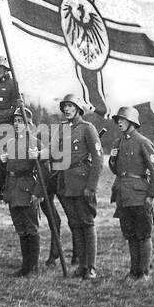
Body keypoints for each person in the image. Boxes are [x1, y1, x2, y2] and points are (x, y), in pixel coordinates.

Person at [110, 106, 154, 280]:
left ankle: (144, 273)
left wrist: (151, 195)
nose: (119, 123)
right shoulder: (118, 142)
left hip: (139, 194)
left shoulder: (143, 142)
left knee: (143, 235)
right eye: (118, 120)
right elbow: (114, 167)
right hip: (123, 195)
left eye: (122, 120)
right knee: (130, 235)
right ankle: (134, 272)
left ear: (132, 122)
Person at [56, 93, 102, 279]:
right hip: (66, 182)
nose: (67, 109)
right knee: (74, 224)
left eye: (71, 106)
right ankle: (81, 265)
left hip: (82, 181)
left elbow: (98, 160)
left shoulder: (87, 128)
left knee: (86, 224)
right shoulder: (62, 129)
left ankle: (90, 267)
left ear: (78, 109)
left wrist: (91, 187)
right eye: (65, 106)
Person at [5, 132, 45, 277]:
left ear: (28, 122)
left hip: (27, 188)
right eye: (15, 120)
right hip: (13, 187)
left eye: (21, 120)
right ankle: (25, 266)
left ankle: (32, 267)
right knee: (20, 228)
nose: (17, 123)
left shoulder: (35, 143)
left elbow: (44, 169)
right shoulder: (10, 143)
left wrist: (38, 192)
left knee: (31, 228)